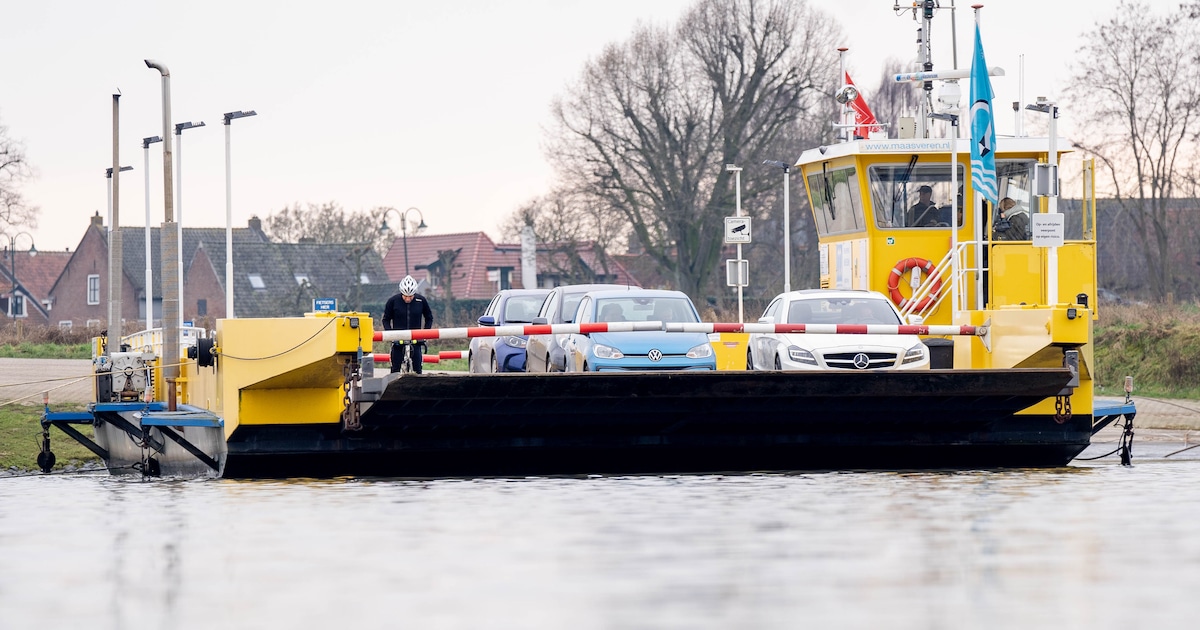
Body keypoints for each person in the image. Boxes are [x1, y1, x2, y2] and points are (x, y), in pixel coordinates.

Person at [382, 275, 434, 373]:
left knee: (418, 369)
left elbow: (429, 318)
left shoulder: (421, 301)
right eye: (405, 296)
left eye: (410, 296)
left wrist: (425, 334)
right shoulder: (393, 301)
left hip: (416, 338)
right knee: (395, 369)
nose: (408, 299)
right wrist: (390, 335)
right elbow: (386, 320)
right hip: (398, 338)